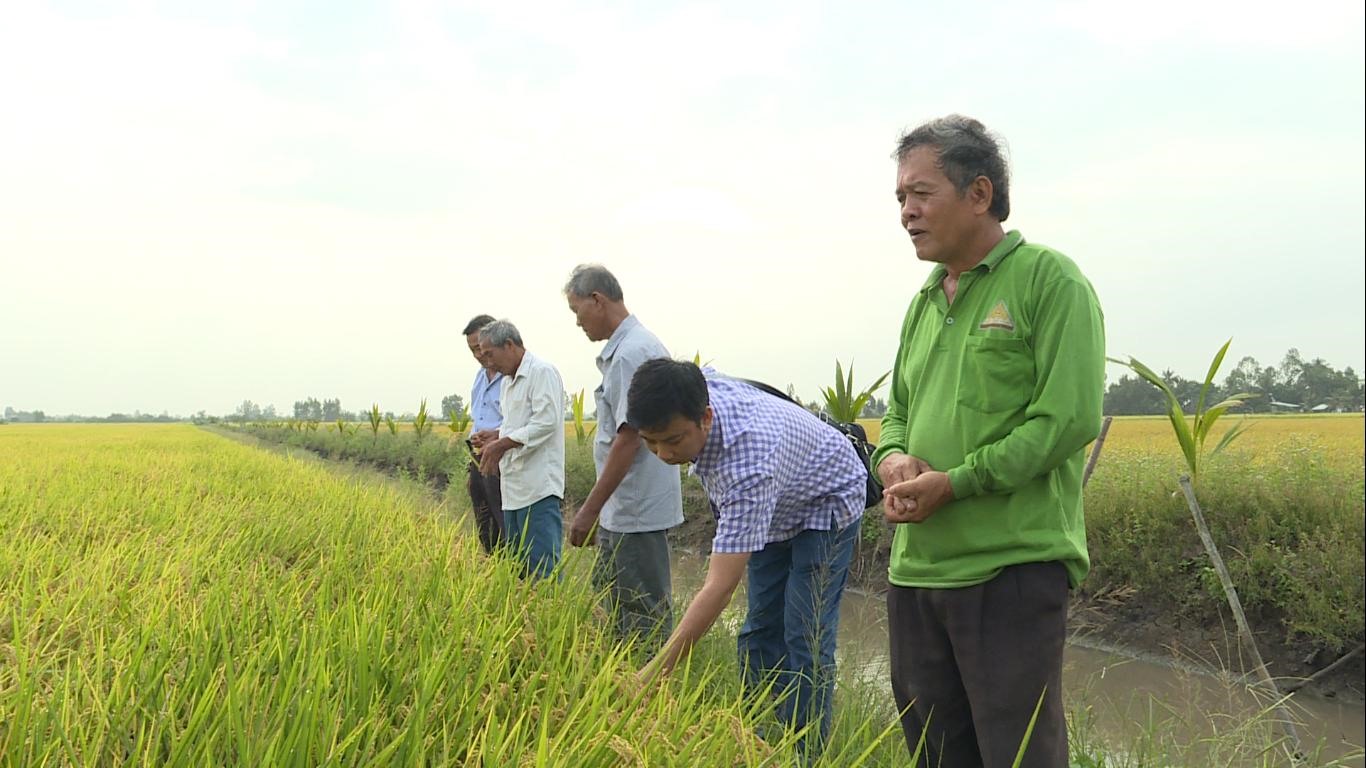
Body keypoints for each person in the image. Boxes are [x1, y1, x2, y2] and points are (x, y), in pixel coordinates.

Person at [873, 114, 1105, 767]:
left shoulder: (1047, 281)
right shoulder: (922, 303)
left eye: (921, 194)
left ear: (979, 194)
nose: (906, 213)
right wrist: (894, 461)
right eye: (899, 198)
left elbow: (1067, 419)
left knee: (1019, 753)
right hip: (916, 575)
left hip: (1009, 571)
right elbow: (897, 415)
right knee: (936, 755)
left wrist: (956, 482)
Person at [627, 359, 864, 759]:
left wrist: (657, 670)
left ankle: (802, 755)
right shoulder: (694, 389)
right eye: (650, 443)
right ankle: (753, 739)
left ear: (705, 417)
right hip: (778, 504)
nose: (663, 454)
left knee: (804, 635)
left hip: (827, 500)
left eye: (672, 440)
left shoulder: (747, 465)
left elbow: (719, 586)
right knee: (758, 630)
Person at [563, 264, 684, 650]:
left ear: (597, 300)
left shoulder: (633, 352)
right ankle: (619, 687)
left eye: (577, 310)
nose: (578, 322)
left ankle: (650, 694)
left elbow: (628, 440)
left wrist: (588, 511)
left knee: (642, 612)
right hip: (624, 509)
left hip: (636, 508)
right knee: (612, 603)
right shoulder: (626, 349)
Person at [470, 320, 566, 580]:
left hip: (538, 489)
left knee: (543, 569)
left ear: (510, 345)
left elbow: (546, 422)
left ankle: (551, 616)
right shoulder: (508, 383)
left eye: (489, 353)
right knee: (520, 567)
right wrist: (496, 435)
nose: (486, 361)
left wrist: (501, 444)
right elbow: (519, 426)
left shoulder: (541, 373)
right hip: (513, 490)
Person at [462, 314, 506, 555]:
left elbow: (520, 423)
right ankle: (493, 570)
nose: (479, 355)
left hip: (501, 460)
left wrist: (495, 436)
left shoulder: (510, 376)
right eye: (473, 351)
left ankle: (514, 579)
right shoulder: (480, 377)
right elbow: (478, 417)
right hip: (479, 459)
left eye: (480, 348)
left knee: (504, 523)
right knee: (484, 524)